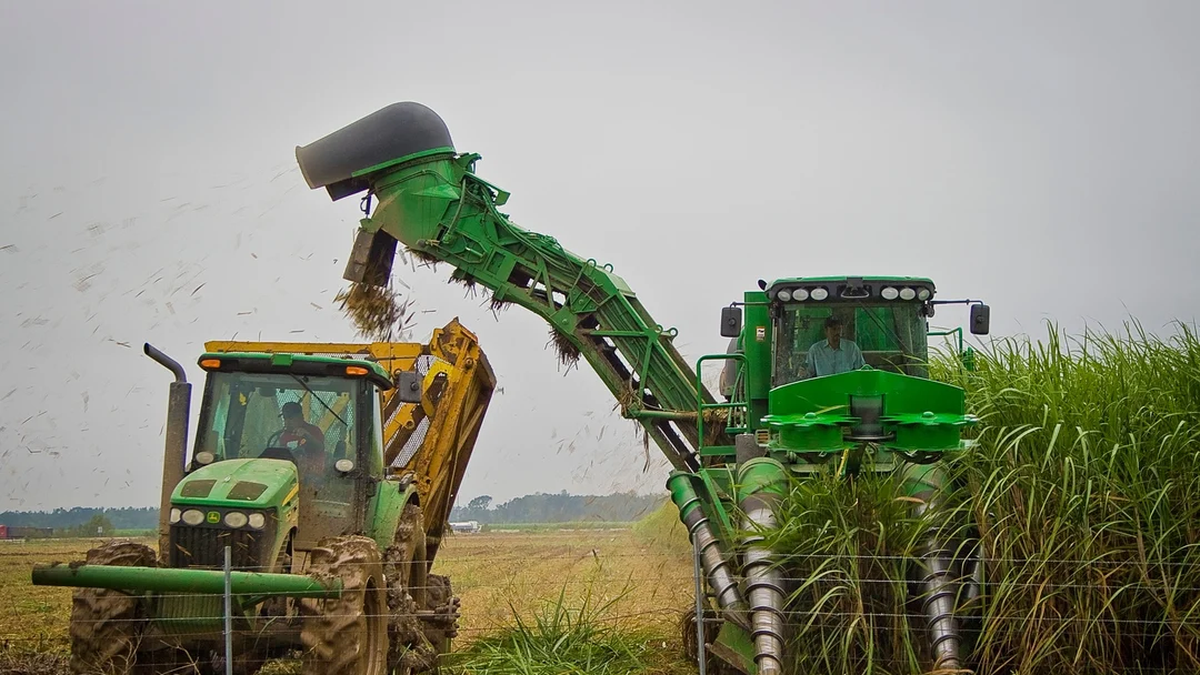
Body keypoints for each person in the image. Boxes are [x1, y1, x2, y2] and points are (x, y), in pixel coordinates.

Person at [268, 401, 326, 476]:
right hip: (290, 473)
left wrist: (307, 436)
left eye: (291, 418)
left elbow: (320, 448)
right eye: (285, 418)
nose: (287, 422)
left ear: (301, 417)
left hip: (313, 474)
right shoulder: (284, 436)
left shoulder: (313, 431)